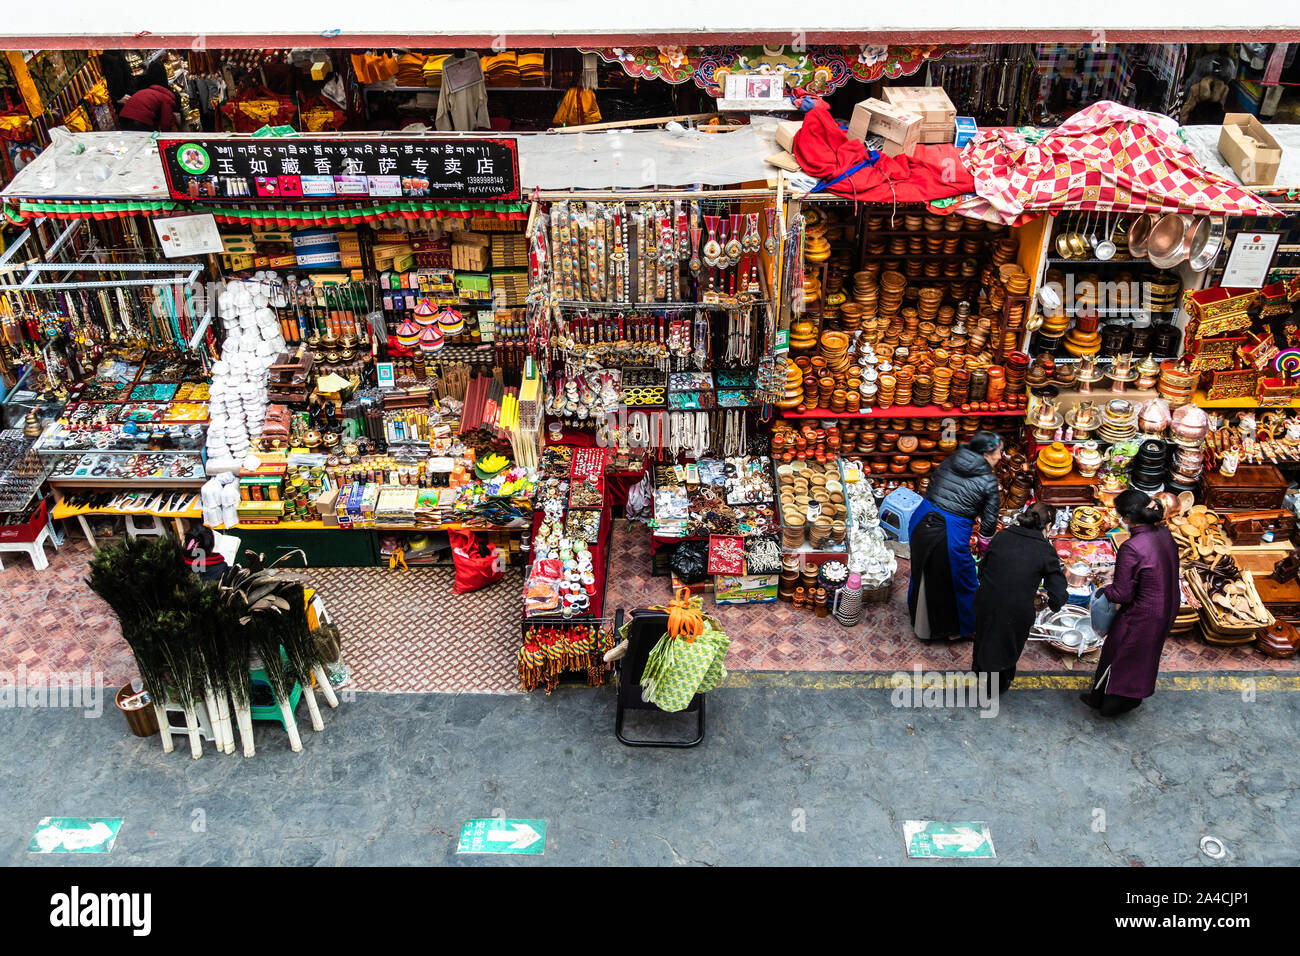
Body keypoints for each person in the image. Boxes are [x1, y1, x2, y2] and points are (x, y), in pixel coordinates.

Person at [1081, 489, 1180, 717]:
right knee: (1145, 656)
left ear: (1126, 518)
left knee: (1118, 653)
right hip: (1166, 607)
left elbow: (1122, 594)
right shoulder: (1164, 534)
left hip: (1142, 614)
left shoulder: (1131, 548)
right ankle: (1122, 698)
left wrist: (1104, 589)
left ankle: (1106, 701)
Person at [907, 430, 1002, 642]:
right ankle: (961, 628)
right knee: (963, 579)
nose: (1000, 457)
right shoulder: (988, 481)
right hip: (950, 531)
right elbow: (988, 524)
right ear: (986, 454)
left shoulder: (951, 460)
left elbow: (932, 486)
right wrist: (984, 550)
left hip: (921, 517)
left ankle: (922, 624)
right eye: (999, 452)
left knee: (923, 571)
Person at [972, 502, 1068, 693]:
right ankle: (996, 688)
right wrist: (1053, 603)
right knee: (1006, 646)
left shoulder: (1002, 536)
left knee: (984, 637)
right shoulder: (1045, 550)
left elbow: (982, 570)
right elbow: (1057, 592)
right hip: (1016, 610)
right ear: (1048, 526)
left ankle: (980, 672)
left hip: (985, 600)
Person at [118, 65, 178, 132]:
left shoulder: (148, 91)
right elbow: (166, 123)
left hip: (123, 117)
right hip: (139, 120)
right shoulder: (167, 100)